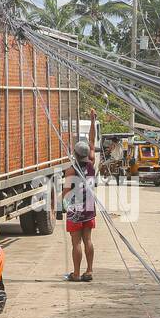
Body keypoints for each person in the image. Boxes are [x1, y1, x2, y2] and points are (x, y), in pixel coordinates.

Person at [63, 109, 98, 282]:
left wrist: (61, 205)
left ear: (75, 154)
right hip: (89, 207)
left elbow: (66, 192)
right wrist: (92, 121)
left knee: (76, 242)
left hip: (76, 208)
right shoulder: (91, 162)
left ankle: (76, 274)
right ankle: (89, 271)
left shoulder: (71, 170)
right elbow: (92, 141)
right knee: (88, 240)